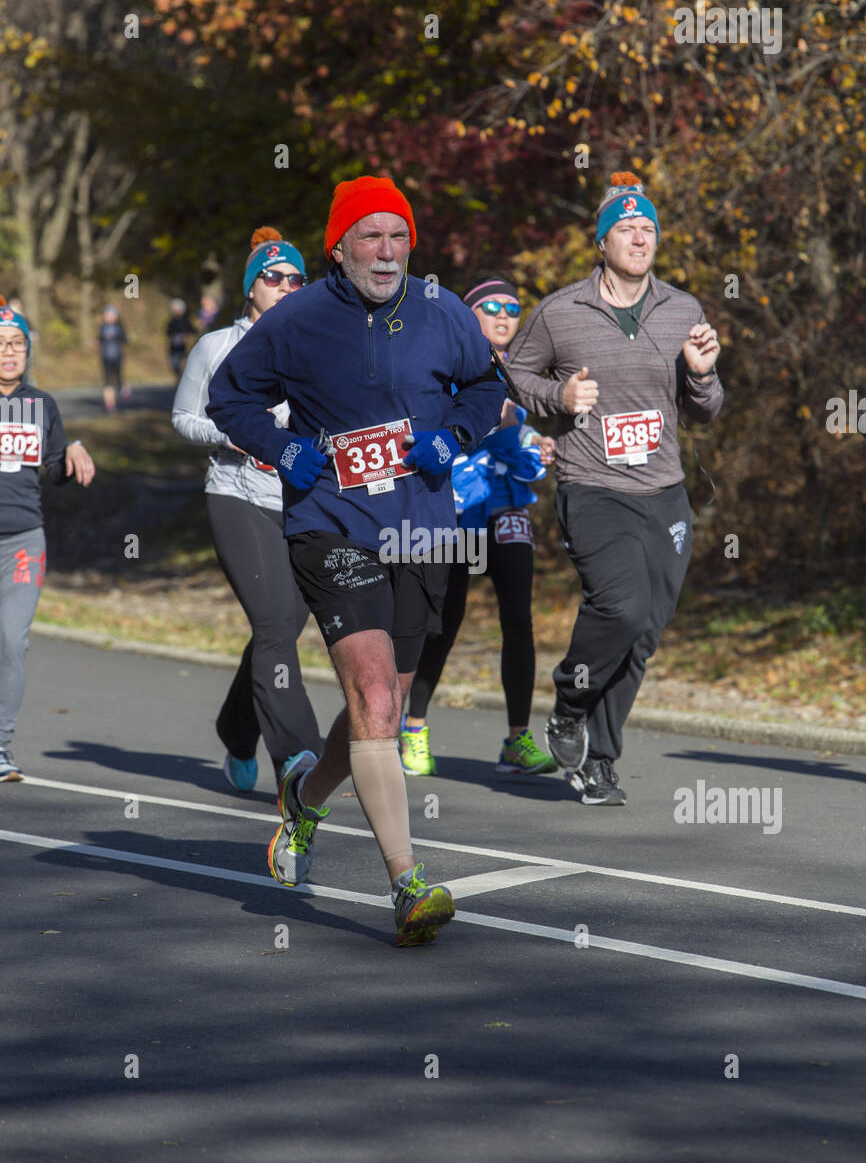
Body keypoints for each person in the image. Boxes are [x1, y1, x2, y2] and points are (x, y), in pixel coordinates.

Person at [206, 175, 506, 945]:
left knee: (383, 703)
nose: (386, 250)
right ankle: (407, 883)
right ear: (338, 248)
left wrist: (457, 435)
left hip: (421, 528)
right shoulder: (299, 320)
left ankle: (306, 797)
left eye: (397, 235)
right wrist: (281, 449)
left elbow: (485, 384)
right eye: (369, 236)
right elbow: (228, 397)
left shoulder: (442, 312)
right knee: (373, 690)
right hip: (331, 523)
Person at [503, 172, 723, 805]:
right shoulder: (560, 311)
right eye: (625, 228)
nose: (639, 237)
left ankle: (600, 761)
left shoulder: (683, 309)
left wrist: (703, 377)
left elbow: (706, 409)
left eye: (648, 228)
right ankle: (569, 703)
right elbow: (514, 378)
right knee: (620, 608)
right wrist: (558, 396)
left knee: (644, 632)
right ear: (601, 243)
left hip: (665, 491)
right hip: (593, 485)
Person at [172, 228, 320, 794]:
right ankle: (300, 757)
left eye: (295, 279)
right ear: (250, 288)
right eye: (272, 277)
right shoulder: (215, 347)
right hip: (234, 493)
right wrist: (233, 434)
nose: (285, 286)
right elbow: (184, 418)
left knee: (281, 625)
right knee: (275, 625)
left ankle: (237, 728)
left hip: (298, 502)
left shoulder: (313, 347)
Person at [401, 274, 557, 776]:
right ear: (470, 316)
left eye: (513, 308)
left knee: (519, 620)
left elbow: (524, 428)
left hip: (506, 506)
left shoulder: (523, 370)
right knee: (445, 620)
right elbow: (439, 432)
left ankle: (517, 738)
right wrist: (497, 423)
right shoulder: (448, 361)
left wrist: (536, 445)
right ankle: (414, 727)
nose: (505, 315)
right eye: (492, 308)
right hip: (457, 511)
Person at [0, 297, 95, 781]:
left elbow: (53, 468)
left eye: (17, 343)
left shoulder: (41, 405)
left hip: (22, 540)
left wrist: (72, 453)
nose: (9, 352)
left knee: (11, 641)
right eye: (0, 344)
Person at [98, 304, 127, 412]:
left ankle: (123, 388)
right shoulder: (102, 327)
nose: (107, 317)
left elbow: (125, 339)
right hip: (105, 358)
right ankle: (110, 404)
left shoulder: (119, 328)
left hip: (117, 357)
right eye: (106, 315)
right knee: (107, 381)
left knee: (118, 378)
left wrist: (117, 337)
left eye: (109, 315)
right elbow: (99, 339)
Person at [166, 299, 195, 377]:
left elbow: (192, 331)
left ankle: (181, 379)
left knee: (182, 365)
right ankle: (178, 379)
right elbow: (168, 333)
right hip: (174, 348)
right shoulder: (171, 322)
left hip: (184, 348)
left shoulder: (185, 322)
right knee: (174, 365)